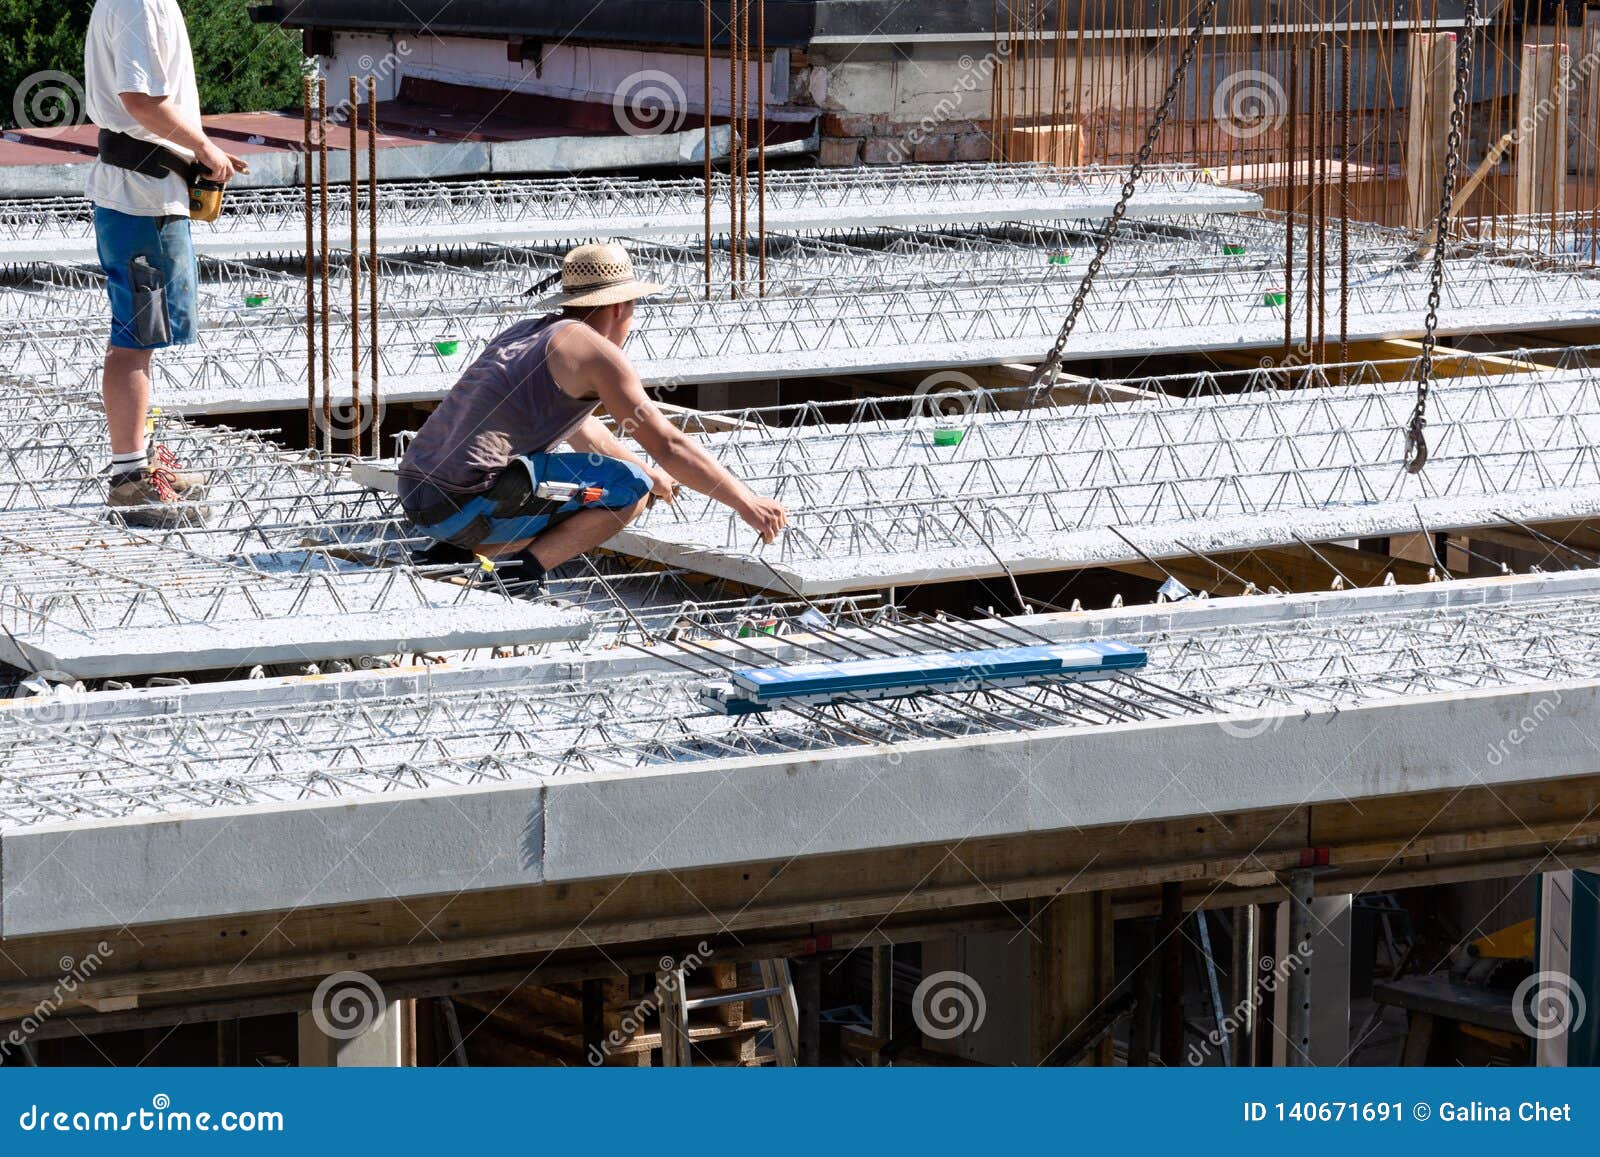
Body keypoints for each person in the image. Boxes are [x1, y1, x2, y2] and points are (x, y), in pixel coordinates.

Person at [398, 242, 787, 591]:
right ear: (620, 307)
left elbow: (585, 432)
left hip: (420, 498)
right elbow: (668, 444)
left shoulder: (527, 333)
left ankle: (449, 556)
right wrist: (745, 502)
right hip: (466, 505)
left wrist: (654, 475)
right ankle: (518, 575)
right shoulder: (594, 351)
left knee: (635, 478)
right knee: (630, 488)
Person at [84, 0, 248, 526]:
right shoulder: (140, 2)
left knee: (142, 340)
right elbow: (139, 100)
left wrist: (200, 151)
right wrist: (203, 146)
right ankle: (130, 479)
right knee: (136, 339)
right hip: (142, 198)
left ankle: (141, 461)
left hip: (141, 192)